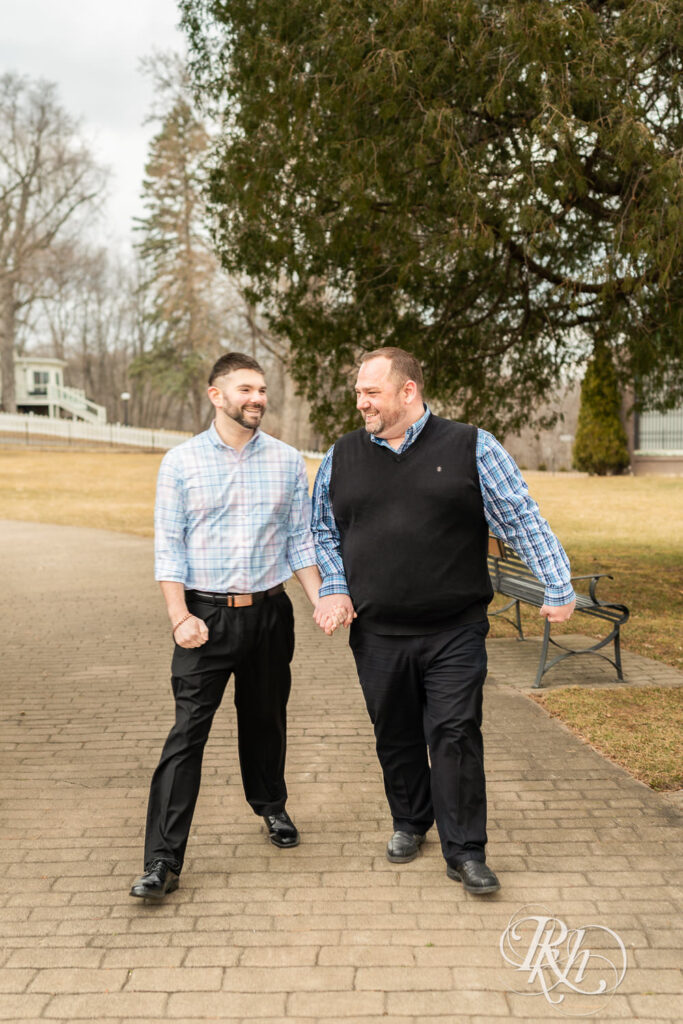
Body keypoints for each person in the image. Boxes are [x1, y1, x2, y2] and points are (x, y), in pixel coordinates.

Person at [311, 347, 575, 895]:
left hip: (454, 628)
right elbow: (321, 532)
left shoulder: (471, 446)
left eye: (371, 392)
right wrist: (334, 587)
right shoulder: (342, 456)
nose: (361, 402)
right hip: (378, 631)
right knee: (396, 732)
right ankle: (410, 821)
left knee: (454, 733)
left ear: (408, 391)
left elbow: (520, 515)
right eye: (358, 392)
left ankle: (465, 850)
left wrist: (557, 582)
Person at [130, 352, 337, 900]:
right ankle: (162, 860)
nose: (258, 399)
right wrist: (179, 618)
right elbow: (168, 548)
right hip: (204, 617)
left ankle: (271, 808)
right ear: (216, 395)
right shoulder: (181, 463)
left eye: (263, 390)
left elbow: (300, 541)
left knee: (266, 719)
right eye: (246, 389)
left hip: (270, 614)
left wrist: (321, 599)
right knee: (185, 737)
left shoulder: (289, 461)